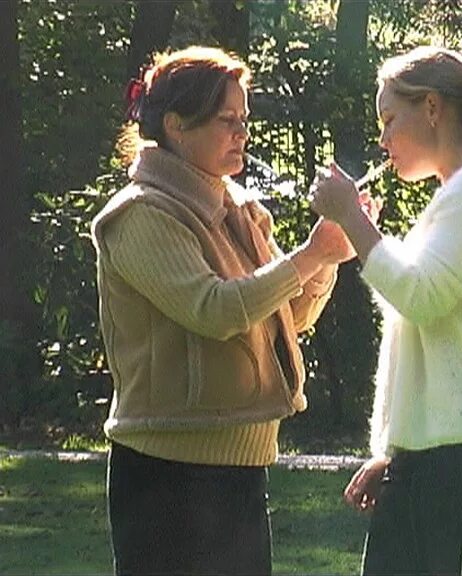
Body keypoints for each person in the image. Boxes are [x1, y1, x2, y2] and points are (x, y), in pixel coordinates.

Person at [91, 46, 357, 575]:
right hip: (166, 472)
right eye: (227, 120)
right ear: (176, 126)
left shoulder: (235, 207)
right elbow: (214, 311)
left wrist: (327, 257)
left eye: (245, 120)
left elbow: (289, 315)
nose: (243, 133)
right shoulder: (141, 214)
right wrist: (311, 255)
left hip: (239, 466)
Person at [310, 46, 462, 575]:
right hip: (431, 454)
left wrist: (353, 218)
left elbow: (422, 296)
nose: (382, 139)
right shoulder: (455, 198)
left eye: (391, 119)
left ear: (433, 108)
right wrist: (396, 450)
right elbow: (423, 332)